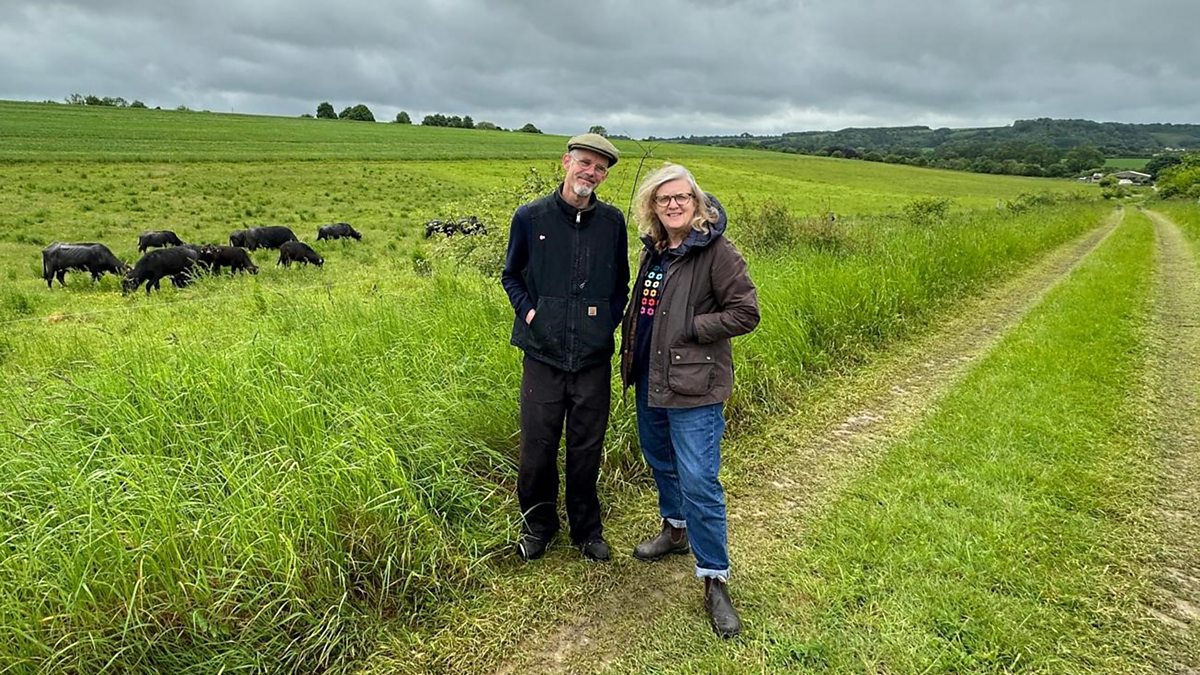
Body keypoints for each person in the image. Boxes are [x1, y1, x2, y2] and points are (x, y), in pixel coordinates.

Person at [619, 163, 760, 638]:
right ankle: (675, 530)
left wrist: (695, 328)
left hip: (695, 386)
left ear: (696, 202)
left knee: (700, 478)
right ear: (653, 208)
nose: (674, 205)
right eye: (664, 199)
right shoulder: (655, 251)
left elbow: (746, 312)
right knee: (661, 460)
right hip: (650, 379)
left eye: (682, 197)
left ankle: (715, 579)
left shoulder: (716, 251)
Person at [500, 133, 629, 562]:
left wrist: (605, 324)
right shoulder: (531, 217)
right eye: (584, 163)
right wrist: (533, 316)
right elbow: (511, 276)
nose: (590, 172)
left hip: (592, 359)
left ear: (605, 175)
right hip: (542, 356)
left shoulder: (612, 224)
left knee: (585, 447)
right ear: (566, 162)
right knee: (537, 447)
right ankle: (538, 526)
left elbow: (619, 286)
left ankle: (586, 531)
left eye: (600, 167)